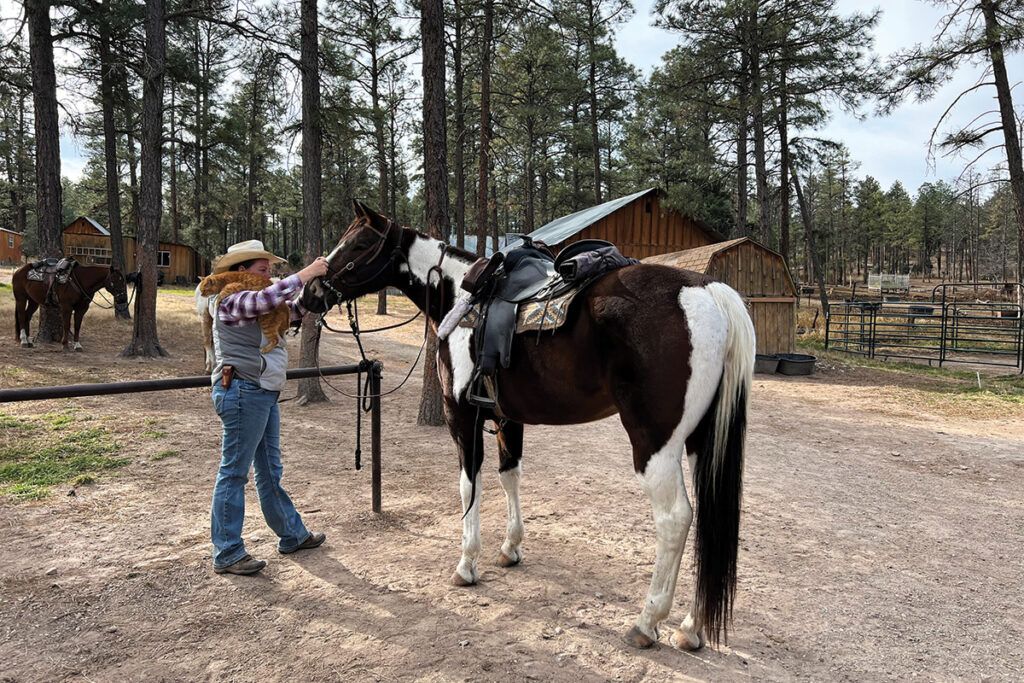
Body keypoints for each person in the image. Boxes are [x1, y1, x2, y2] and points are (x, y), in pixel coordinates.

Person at [206, 239, 330, 576]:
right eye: (264, 269)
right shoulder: (231, 298)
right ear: (242, 271)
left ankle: (291, 534)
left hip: (259, 392)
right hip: (245, 391)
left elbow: (287, 314)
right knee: (234, 473)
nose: (270, 274)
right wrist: (307, 273)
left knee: (269, 470)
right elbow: (264, 300)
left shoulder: (258, 304)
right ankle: (228, 551)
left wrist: (314, 297)